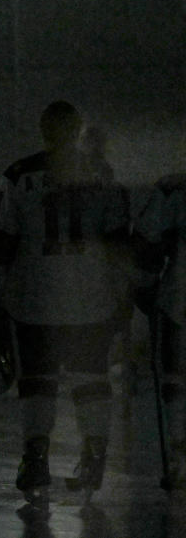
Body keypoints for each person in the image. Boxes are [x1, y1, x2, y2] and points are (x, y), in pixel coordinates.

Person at [0, 101, 132, 508]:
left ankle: (35, 457)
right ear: (78, 129)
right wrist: (124, 296)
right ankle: (95, 454)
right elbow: (118, 243)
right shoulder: (100, 173)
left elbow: (3, 245)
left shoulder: (19, 175)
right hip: (91, 296)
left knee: (38, 383)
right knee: (91, 379)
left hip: (37, 297)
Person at [133, 171, 186, 487]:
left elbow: (147, 240)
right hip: (177, 296)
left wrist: (145, 285)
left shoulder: (172, 189)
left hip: (179, 297)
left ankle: (179, 453)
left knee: (175, 376)